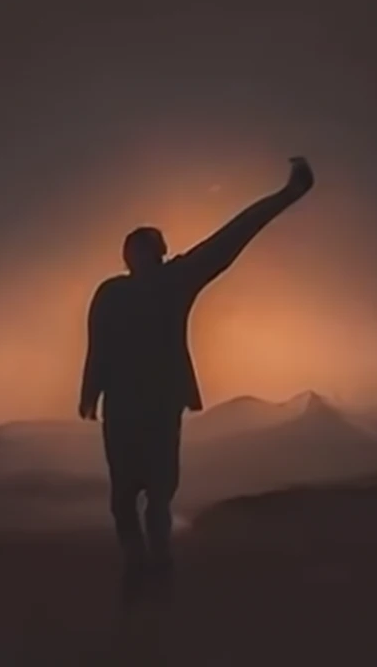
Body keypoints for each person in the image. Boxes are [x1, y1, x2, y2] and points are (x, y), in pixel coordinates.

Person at [78, 156, 315, 597]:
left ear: (157, 252)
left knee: (158, 496)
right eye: (131, 249)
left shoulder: (176, 279)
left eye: (143, 248)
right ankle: (139, 566)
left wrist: (287, 195)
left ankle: (158, 564)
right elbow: (99, 345)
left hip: (155, 406)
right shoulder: (111, 293)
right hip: (126, 408)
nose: (136, 256)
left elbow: (232, 237)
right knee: (124, 499)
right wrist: (90, 390)